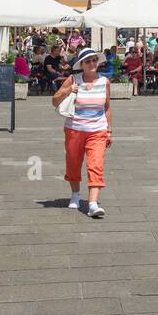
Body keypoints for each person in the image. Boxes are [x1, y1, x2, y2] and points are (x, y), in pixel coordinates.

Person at [53, 48, 112, 218]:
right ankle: (76, 194)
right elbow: (54, 101)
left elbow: (107, 107)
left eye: (94, 60)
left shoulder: (105, 82)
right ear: (82, 65)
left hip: (98, 130)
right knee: (73, 164)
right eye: (88, 61)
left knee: (96, 165)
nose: (92, 64)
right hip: (74, 129)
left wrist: (109, 130)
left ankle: (93, 204)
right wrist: (67, 90)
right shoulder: (73, 79)